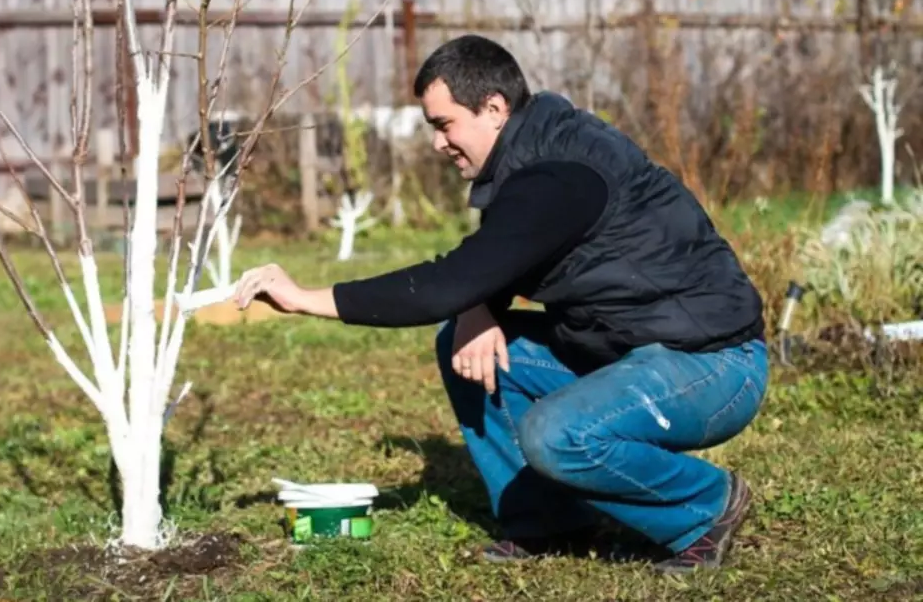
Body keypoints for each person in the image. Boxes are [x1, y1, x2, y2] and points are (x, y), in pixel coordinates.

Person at [233, 33, 768, 574]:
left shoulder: (561, 174)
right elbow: (490, 264)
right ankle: (549, 522)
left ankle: (708, 506)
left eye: (444, 125)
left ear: (493, 108)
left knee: (557, 436)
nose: (439, 144)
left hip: (712, 364)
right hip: (627, 350)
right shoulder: (528, 155)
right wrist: (475, 310)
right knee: (464, 344)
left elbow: (447, 283)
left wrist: (304, 298)